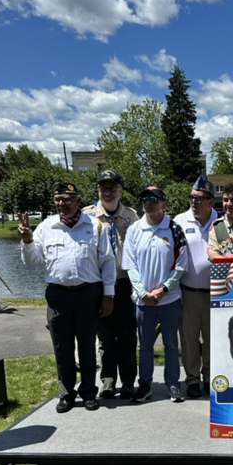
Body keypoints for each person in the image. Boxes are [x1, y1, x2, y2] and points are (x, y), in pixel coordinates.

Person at [18, 181, 115, 413]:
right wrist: (28, 240)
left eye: (67, 199)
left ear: (78, 201)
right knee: (62, 347)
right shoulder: (46, 227)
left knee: (87, 345)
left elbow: (107, 262)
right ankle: (67, 393)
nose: (62, 203)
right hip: (58, 295)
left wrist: (108, 294)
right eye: (58, 200)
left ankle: (88, 392)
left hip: (88, 293)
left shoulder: (95, 226)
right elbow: (32, 262)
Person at [123, 185, 189, 403]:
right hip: (143, 301)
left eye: (154, 199)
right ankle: (145, 385)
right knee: (145, 346)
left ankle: (173, 384)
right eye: (145, 199)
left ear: (164, 203)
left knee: (171, 344)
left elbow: (180, 265)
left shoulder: (174, 229)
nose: (148, 203)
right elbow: (130, 265)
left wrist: (164, 289)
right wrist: (142, 293)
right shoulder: (134, 229)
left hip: (169, 299)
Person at [82, 169, 140, 400]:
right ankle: (107, 380)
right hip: (98, 286)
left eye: (112, 188)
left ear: (120, 190)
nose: (108, 192)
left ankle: (128, 380)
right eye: (103, 188)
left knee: (128, 335)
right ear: (98, 190)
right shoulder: (87, 215)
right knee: (105, 337)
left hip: (125, 283)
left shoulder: (132, 216)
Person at [172, 175, 216, 398]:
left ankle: (209, 377)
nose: (193, 201)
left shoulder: (221, 222)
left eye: (199, 198)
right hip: (188, 291)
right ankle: (192, 379)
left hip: (216, 292)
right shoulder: (180, 220)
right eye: (192, 197)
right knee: (189, 339)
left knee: (212, 338)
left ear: (211, 201)